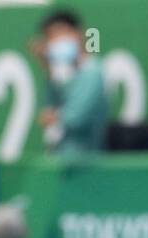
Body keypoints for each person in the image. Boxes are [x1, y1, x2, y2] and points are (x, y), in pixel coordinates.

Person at [33, 9, 107, 155]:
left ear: (78, 33)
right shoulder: (58, 73)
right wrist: (49, 68)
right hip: (60, 158)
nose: (57, 40)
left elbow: (74, 118)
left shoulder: (93, 72)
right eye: (51, 36)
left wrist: (55, 116)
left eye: (61, 33)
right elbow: (49, 108)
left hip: (87, 161)